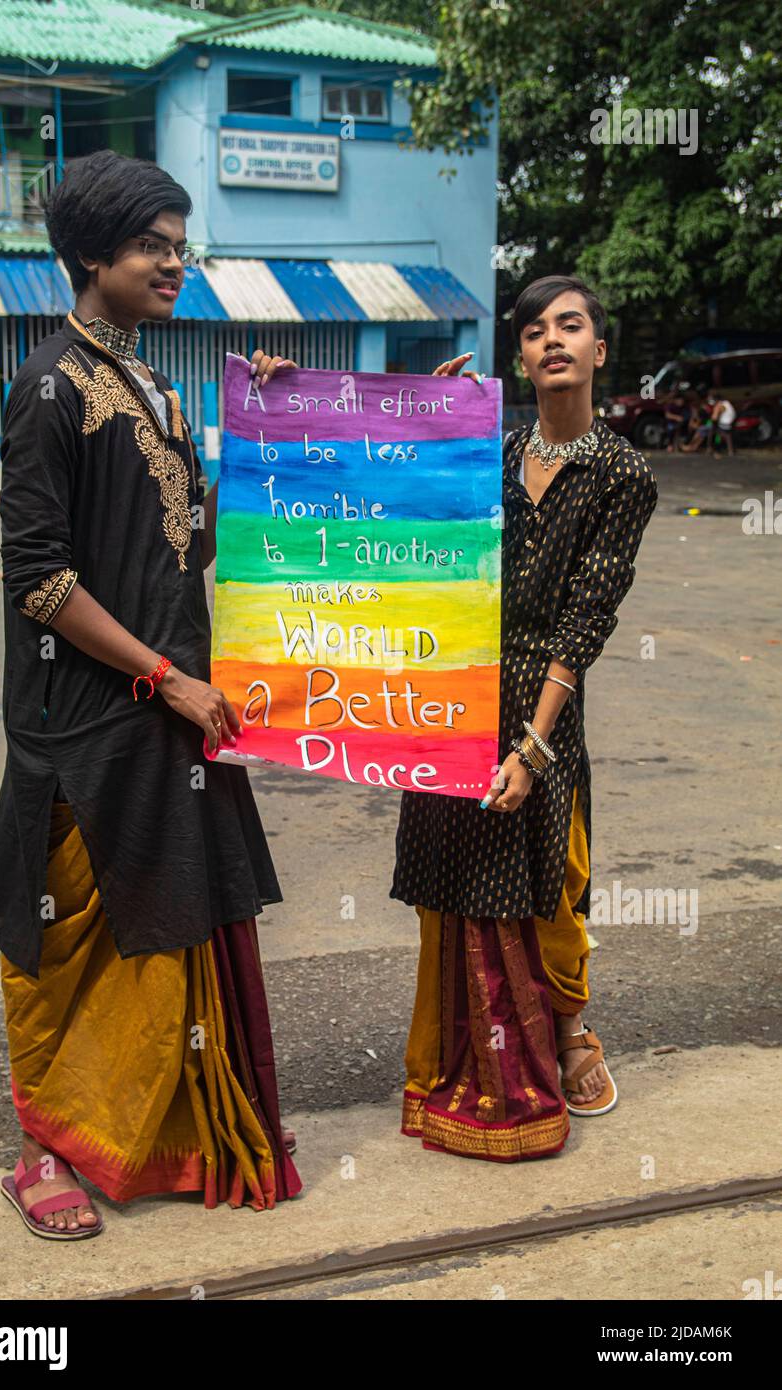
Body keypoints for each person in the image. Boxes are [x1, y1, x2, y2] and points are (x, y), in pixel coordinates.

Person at [0, 150, 300, 1238]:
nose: (173, 262)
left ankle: (171, 1126)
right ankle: (36, 1153)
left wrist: (271, 424)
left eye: (177, 242)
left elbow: (190, 544)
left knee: (164, 925)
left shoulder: (157, 390)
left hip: (172, 706)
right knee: (67, 936)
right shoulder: (48, 388)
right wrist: (164, 678)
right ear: (89, 258)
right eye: (150, 246)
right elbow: (39, 580)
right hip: (84, 721)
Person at [391, 275, 658, 1162]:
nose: (553, 340)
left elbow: (587, 620)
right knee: (455, 881)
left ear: (598, 349)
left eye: (571, 325)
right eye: (536, 329)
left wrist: (534, 747)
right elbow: (411, 533)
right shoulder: (492, 454)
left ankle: (571, 1035)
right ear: (521, 357)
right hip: (458, 691)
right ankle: (455, 1060)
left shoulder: (624, 475)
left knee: (553, 876)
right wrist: (432, 423)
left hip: (545, 699)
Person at [707, 393, 736, 457]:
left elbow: (714, 418)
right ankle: (730, 451)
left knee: (717, 435)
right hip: (730, 423)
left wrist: (708, 421)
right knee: (726, 436)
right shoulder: (727, 403)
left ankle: (716, 449)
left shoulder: (720, 405)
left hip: (724, 424)